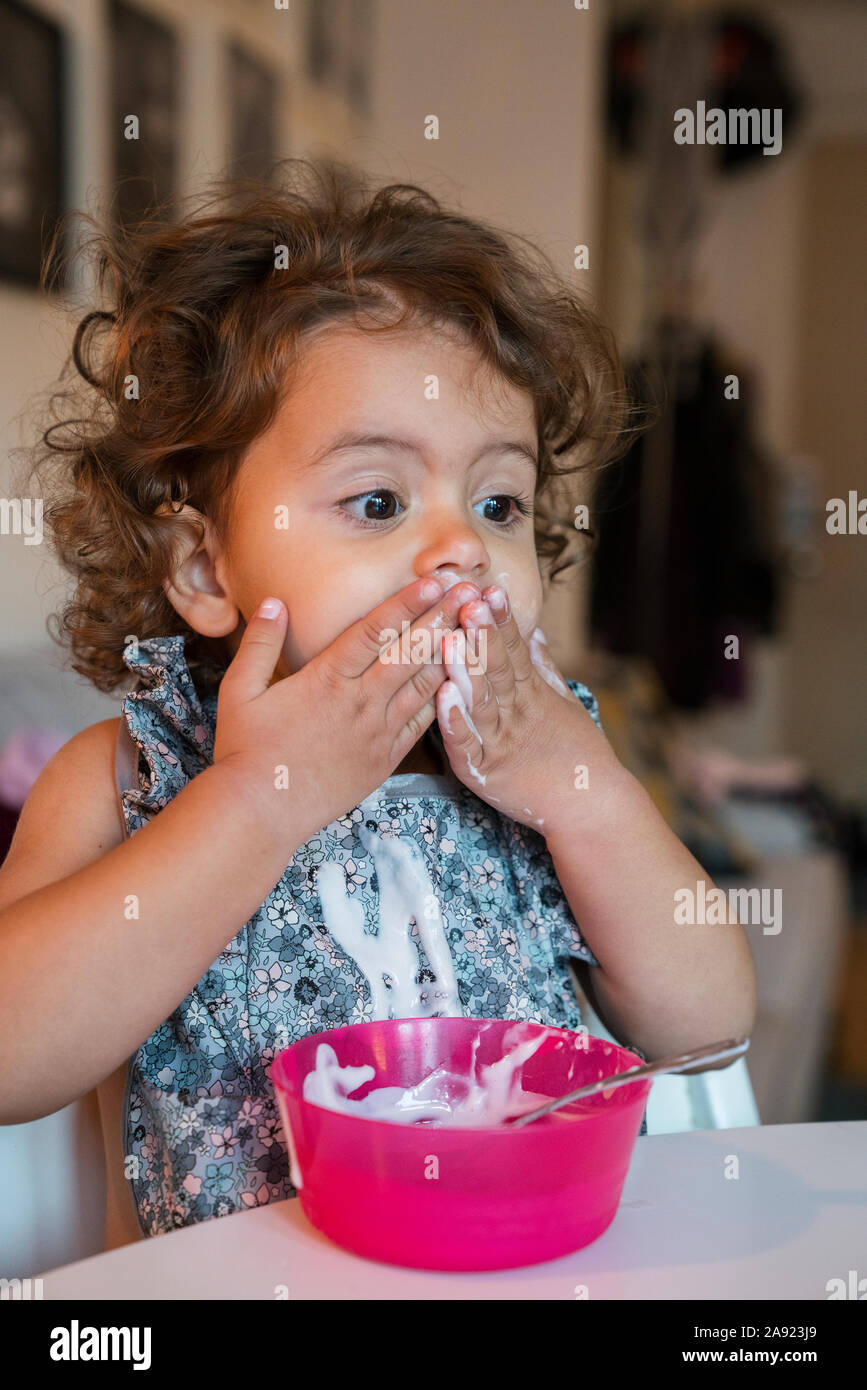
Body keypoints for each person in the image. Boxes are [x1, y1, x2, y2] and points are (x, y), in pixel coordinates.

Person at [0, 159, 756, 1243]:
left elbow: (708, 1023)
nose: (463, 550)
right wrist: (258, 800)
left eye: (499, 500)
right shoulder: (136, 776)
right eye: (379, 499)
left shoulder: (534, 763)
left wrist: (584, 793)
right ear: (207, 567)